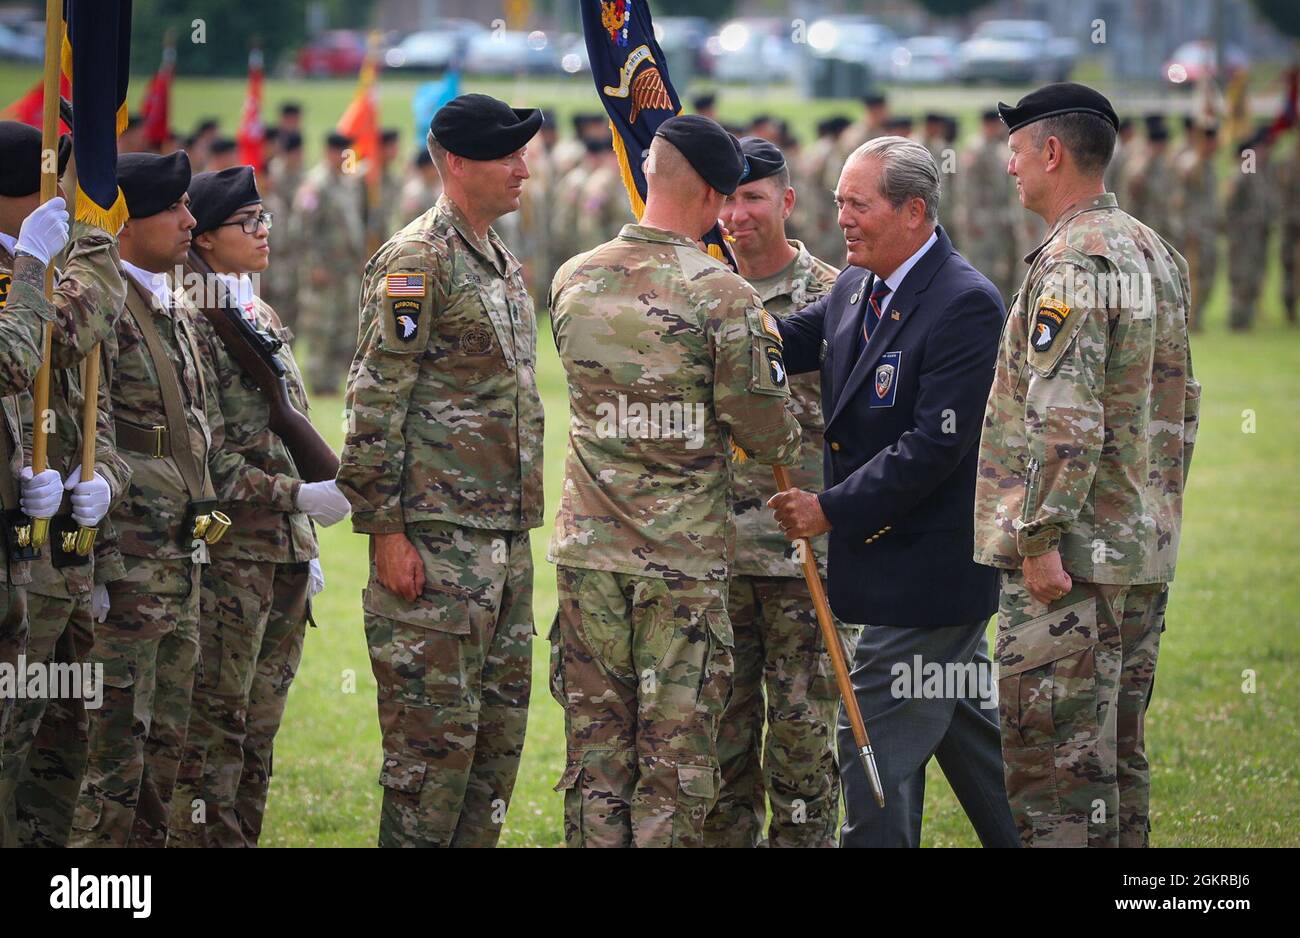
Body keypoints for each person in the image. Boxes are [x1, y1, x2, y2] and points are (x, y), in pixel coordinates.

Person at [548, 115, 802, 848]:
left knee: (597, 758)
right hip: (680, 566)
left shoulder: (575, 277)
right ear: (719, 197)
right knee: (675, 759)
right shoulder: (724, 297)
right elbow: (767, 433)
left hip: (588, 554)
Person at [772, 135, 1018, 848]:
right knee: (976, 747)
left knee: (870, 749)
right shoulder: (855, 282)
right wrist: (709, 304)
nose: (841, 217)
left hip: (926, 582)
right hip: (888, 577)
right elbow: (784, 342)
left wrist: (829, 508)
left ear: (914, 211)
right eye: (838, 201)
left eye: (858, 203)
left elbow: (935, 446)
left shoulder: (965, 302)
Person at [975, 83, 1200, 848]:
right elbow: (1179, 408)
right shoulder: (1154, 251)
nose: (1008, 166)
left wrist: (1037, 540)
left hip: (1071, 563)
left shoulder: (1073, 263)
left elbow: (1066, 418)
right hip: (1138, 551)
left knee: (1059, 779)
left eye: (1016, 149)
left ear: (1051, 153)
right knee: (1115, 765)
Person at [337, 94, 545, 848]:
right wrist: (385, 532)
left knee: (493, 760)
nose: (524, 169)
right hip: (436, 545)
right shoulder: (418, 260)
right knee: (430, 766)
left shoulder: (494, 261)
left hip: (503, 542)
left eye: (525, 153)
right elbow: (372, 403)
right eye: (507, 156)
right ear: (457, 163)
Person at [166, 166, 351, 847]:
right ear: (206, 240)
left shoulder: (258, 314)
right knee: (215, 730)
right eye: (247, 223)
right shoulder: (191, 322)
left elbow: (289, 422)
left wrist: (304, 530)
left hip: (284, 554)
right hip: (230, 553)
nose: (263, 231)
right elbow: (206, 455)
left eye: (264, 217)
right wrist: (295, 496)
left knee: (261, 734)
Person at [701, 137, 849, 848]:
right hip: (714, 561)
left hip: (802, 561)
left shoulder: (836, 295)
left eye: (753, 197)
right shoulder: (698, 292)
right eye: (726, 197)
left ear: (787, 201)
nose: (737, 214)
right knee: (720, 756)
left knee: (802, 752)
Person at [69, 151, 217, 848]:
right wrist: (90, 564)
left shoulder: (168, 299)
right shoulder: (103, 305)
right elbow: (84, 440)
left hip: (175, 561)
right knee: (109, 761)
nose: (191, 221)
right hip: (124, 562)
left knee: (164, 753)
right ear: (124, 222)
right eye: (173, 209)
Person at [0, 122, 128, 848]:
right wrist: (29, 264)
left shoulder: (42, 274)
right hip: (13, 559)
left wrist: (99, 474)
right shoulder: (27, 273)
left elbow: (86, 376)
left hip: (59, 560)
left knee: (64, 753)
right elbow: (11, 362)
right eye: (59, 189)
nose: (72, 206)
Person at [292, 132, 365, 395]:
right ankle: (319, 381)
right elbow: (302, 228)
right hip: (323, 269)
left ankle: (335, 380)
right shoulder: (315, 184)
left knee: (344, 325)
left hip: (345, 269)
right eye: (339, 151)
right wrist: (313, 265)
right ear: (329, 152)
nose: (343, 157)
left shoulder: (347, 182)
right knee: (321, 324)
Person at [962, 110, 1020, 301]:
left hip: (999, 218)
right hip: (982, 219)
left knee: (1001, 268)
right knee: (982, 267)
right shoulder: (976, 149)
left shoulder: (999, 148)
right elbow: (967, 189)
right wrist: (970, 220)